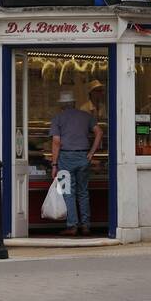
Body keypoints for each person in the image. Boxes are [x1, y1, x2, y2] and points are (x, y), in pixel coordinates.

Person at [48, 89, 103, 236]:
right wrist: (91, 153)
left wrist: (54, 164)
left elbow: (56, 141)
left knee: (68, 193)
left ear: (62, 105)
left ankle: (72, 226)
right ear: (73, 103)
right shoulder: (86, 116)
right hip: (83, 157)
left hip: (65, 158)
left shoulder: (58, 118)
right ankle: (85, 225)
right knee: (83, 192)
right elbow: (99, 132)